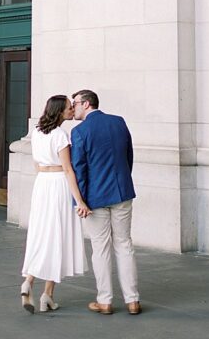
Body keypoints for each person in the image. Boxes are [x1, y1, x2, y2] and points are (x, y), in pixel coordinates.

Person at [69, 89, 141, 316]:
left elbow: (78, 169)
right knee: (124, 245)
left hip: (94, 198)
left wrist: (78, 200)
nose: (74, 108)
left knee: (100, 248)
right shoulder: (118, 122)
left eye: (76, 104)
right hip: (122, 193)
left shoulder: (80, 131)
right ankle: (133, 300)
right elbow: (129, 155)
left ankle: (105, 300)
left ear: (87, 104)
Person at [19, 95, 88, 313]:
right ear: (59, 111)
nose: (71, 110)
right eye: (68, 108)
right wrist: (80, 201)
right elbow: (68, 170)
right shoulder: (60, 135)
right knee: (57, 236)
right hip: (58, 185)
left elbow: (36, 164)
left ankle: (35, 285)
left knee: (42, 233)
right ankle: (44, 291)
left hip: (42, 184)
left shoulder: (38, 132)